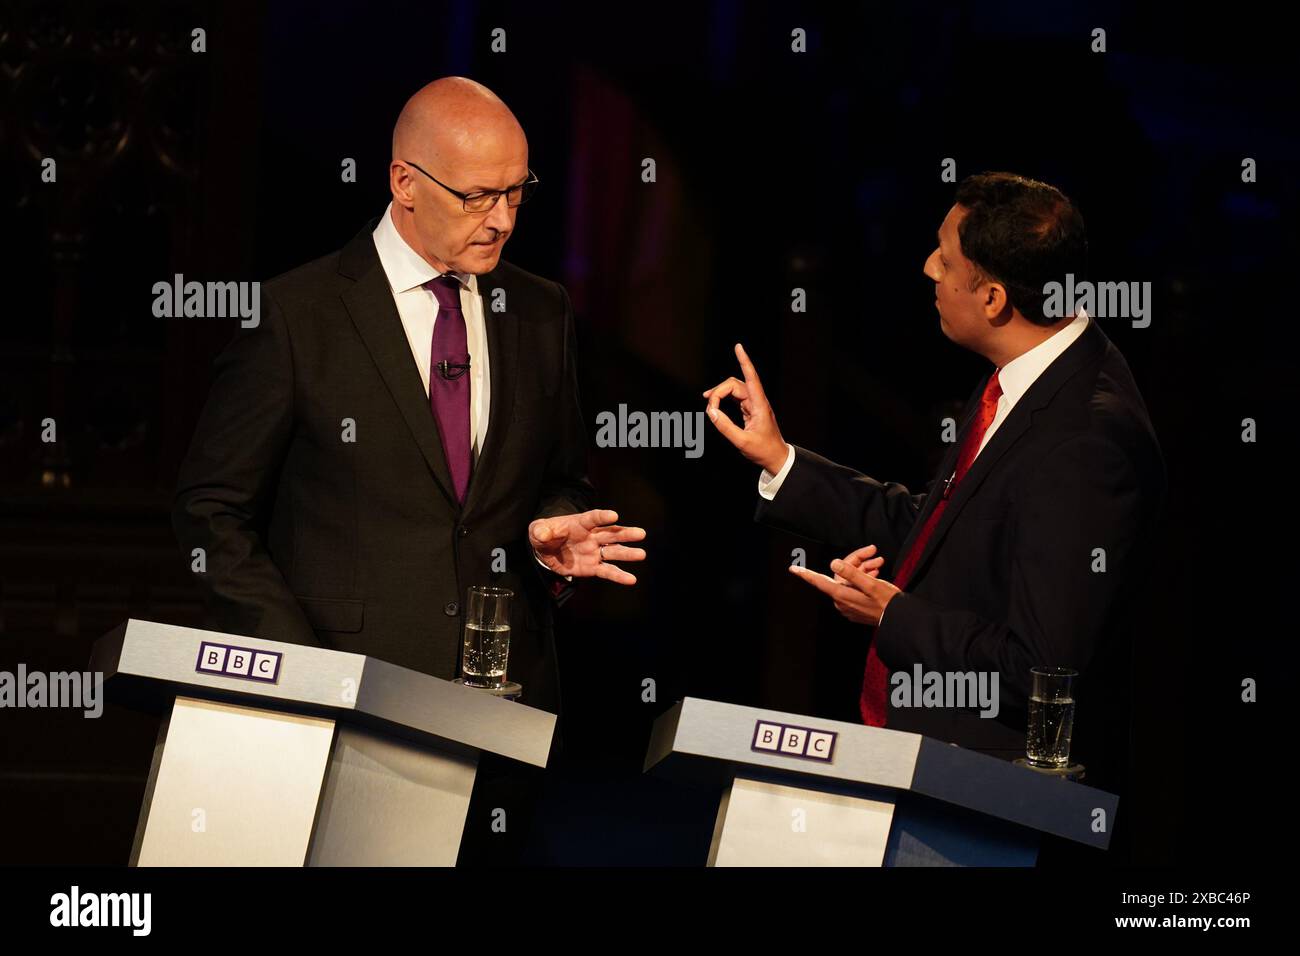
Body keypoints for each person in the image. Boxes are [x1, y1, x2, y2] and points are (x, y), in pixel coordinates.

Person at [172, 76, 646, 862]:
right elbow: (210, 511)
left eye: (518, 192)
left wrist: (549, 531)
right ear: (403, 183)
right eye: (478, 195)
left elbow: (562, 475)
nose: (502, 219)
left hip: (503, 713)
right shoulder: (298, 315)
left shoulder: (538, 310)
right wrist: (294, 662)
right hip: (343, 715)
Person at [704, 172, 1165, 815]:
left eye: (945, 260)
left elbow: (1042, 671)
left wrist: (894, 615)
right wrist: (782, 459)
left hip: (985, 802)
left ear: (995, 297)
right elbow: (942, 527)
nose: (927, 269)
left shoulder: (1085, 443)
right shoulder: (1032, 370)